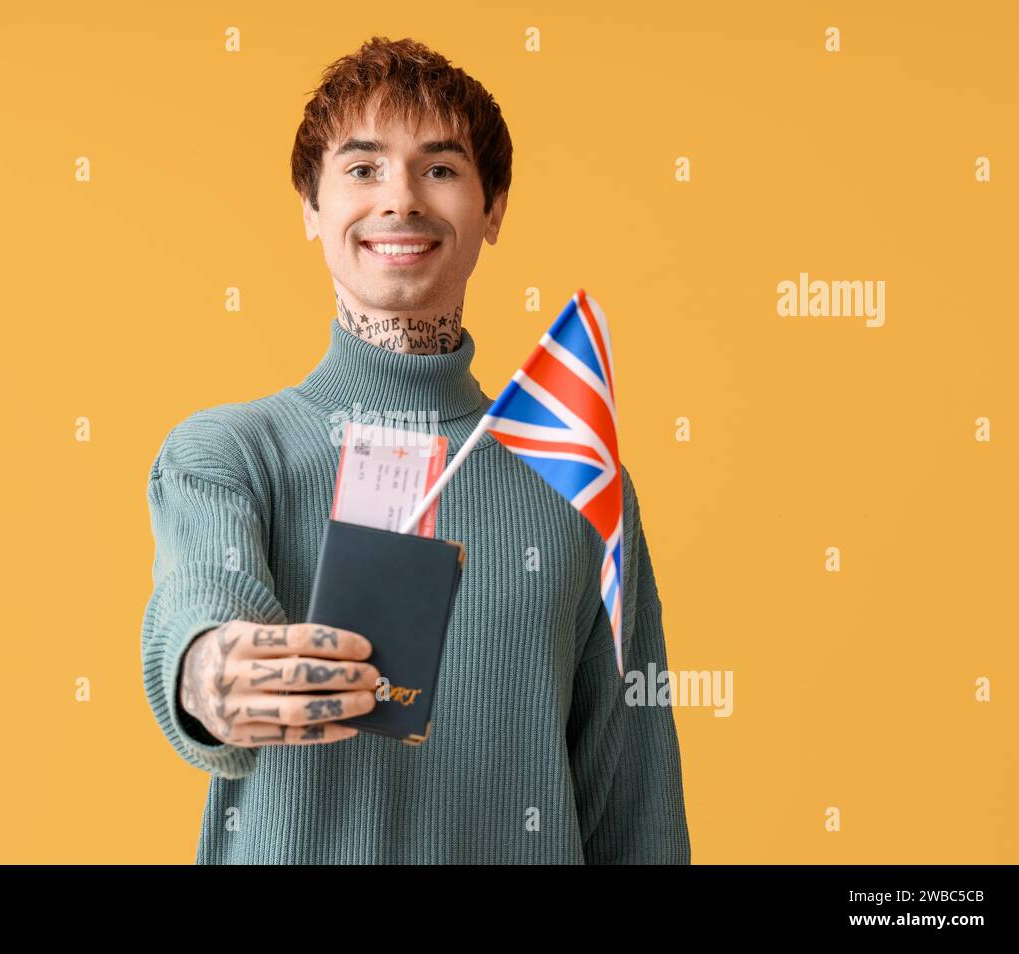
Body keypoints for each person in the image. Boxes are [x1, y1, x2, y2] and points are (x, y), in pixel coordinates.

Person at [142, 35, 691, 864]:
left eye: (439, 168)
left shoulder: (575, 474)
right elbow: (201, 604)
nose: (399, 200)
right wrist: (210, 675)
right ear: (310, 207)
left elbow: (635, 801)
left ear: (493, 208)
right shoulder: (229, 453)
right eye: (362, 169)